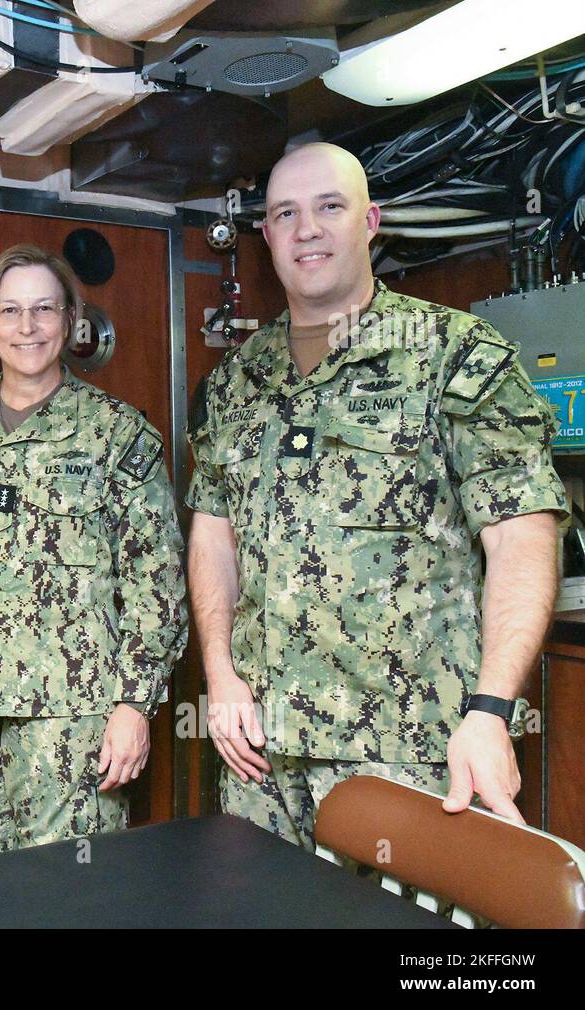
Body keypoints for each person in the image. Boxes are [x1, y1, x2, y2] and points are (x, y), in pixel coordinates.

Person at [186, 142, 567, 850]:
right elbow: (213, 533)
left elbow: (521, 533)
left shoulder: (455, 353)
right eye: (285, 214)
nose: (307, 229)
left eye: (330, 207)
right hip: (260, 753)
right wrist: (221, 675)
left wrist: (489, 711)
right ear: (265, 235)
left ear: (370, 221)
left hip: (409, 751)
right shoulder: (238, 381)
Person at [0, 243, 188, 857]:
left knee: (70, 898)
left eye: (44, 308)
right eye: (9, 310)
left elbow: (159, 585)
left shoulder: (119, 434)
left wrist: (134, 706)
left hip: (73, 718)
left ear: (71, 320)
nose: (27, 326)